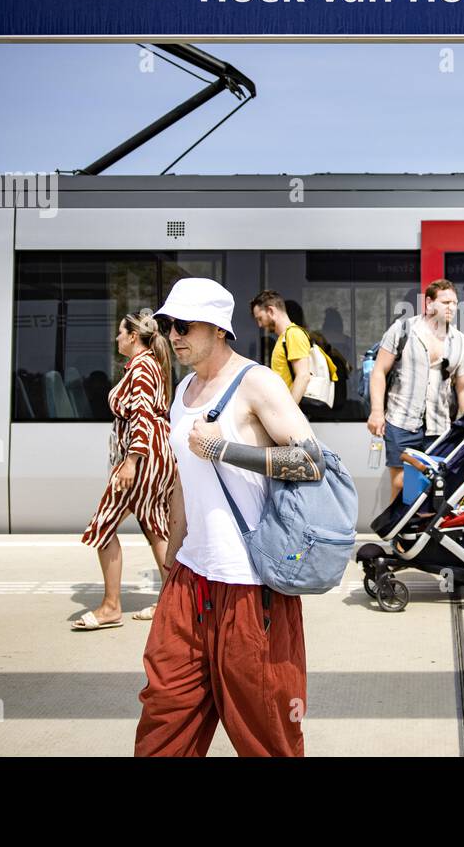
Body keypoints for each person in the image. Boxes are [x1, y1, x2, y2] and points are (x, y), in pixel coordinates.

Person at [134, 278, 322, 757]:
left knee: (266, 731)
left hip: (250, 586)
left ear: (218, 328)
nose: (172, 334)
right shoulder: (183, 391)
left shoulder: (257, 381)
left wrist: (226, 450)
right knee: (164, 717)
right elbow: (182, 481)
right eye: (166, 325)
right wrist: (172, 562)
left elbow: (311, 461)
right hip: (191, 582)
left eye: (183, 325)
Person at [74, 309, 177, 630]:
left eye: (120, 332)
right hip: (156, 455)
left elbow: (143, 417)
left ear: (133, 337)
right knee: (156, 526)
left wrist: (131, 461)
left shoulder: (143, 369)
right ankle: (172, 603)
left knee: (104, 526)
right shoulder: (148, 366)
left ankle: (110, 607)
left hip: (142, 458)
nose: (116, 337)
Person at [366, 280, 464, 503]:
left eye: (455, 303)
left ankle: (425, 537)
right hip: (401, 420)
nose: (452, 308)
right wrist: (377, 411)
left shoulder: (460, 342)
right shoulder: (402, 330)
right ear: (428, 303)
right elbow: (379, 371)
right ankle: (398, 537)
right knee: (402, 483)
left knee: (435, 485)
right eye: (445, 302)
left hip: (439, 425)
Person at [249, 290, 337, 406]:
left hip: (293, 411)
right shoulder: (284, 338)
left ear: (270, 311)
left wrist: (289, 411)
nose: (260, 325)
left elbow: (303, 376)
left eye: (260, 318)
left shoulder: (293, 334)